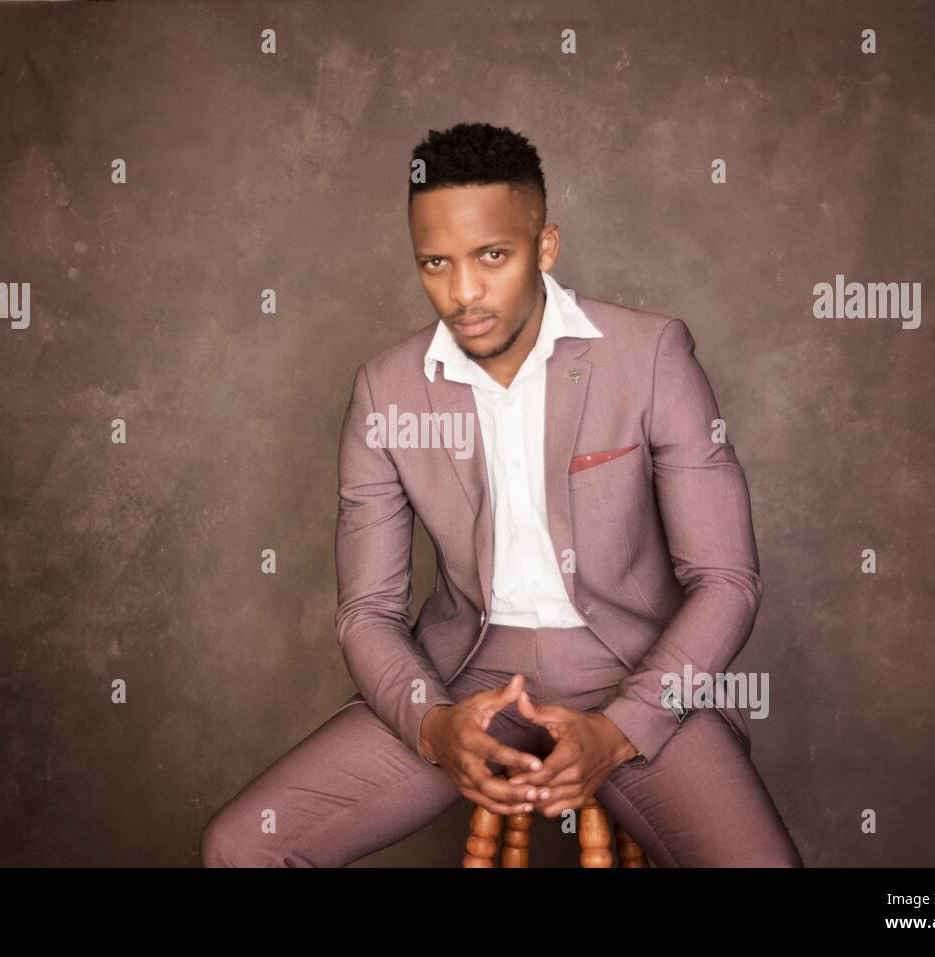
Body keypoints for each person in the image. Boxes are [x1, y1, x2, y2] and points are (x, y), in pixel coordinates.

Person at [200, 122, 802, 867]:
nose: (464, 293)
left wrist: (620, 730)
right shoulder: (385, 391)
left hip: (636, 666)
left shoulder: (649, 355)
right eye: (435, 263)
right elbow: (368, 612)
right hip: (467, 676)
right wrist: (432, 725)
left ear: (545, 247)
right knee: (240, 848)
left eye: (492, 256)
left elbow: (727, 580)